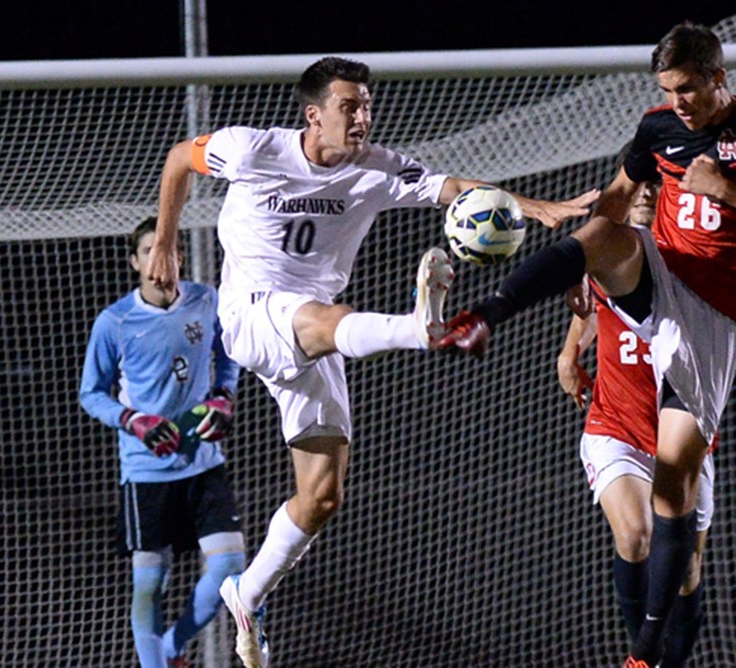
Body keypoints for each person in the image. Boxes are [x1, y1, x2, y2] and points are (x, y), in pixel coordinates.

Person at [146, 56, 598, 668]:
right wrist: (169, 242)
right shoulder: (250, 150)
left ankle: (246, 593)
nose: (362, 116)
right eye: (348, 106)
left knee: (323, 496)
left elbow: (455, 190)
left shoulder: (377, 168)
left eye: (366, 104)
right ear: (314, 115)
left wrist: (536, 207)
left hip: (318, 335)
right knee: (322, 316)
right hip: (253, 314)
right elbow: (180, 157)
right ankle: (418, 329)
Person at [439, 22, 736, 668]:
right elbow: (618, 198)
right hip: (658, 272)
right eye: (668, 90)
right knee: (604, 236)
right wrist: (584, 267)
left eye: (688, 89)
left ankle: (648, 652)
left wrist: (726, 191)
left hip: (712, 316)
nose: (678, 103)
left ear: (719, 78)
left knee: (673, 493)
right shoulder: (660, 129)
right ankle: (487, 314)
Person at [556, 177, 715, 668]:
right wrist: (568, 354)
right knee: (635, 535)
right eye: (638, 185)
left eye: (657, 186)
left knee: (687, 569)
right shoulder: (610, 249)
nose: (646, 193)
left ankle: (674, 663)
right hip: (615, 428)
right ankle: (639, 656)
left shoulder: (695, 258)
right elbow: (588, 305)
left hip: (682, 434)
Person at [80, 217, 245, 668]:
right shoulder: (114, 322)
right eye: (151, 250)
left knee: (232, 568)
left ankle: (170, 648)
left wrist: (223, 397)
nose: (161, 259)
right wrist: (133, 420)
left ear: (180, 256)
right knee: (150, 584)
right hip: (146, 471)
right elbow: (91, 394)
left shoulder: (204, 300)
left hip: (204, 461)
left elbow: (228, 354)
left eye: (168, 248)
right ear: (135, 261)